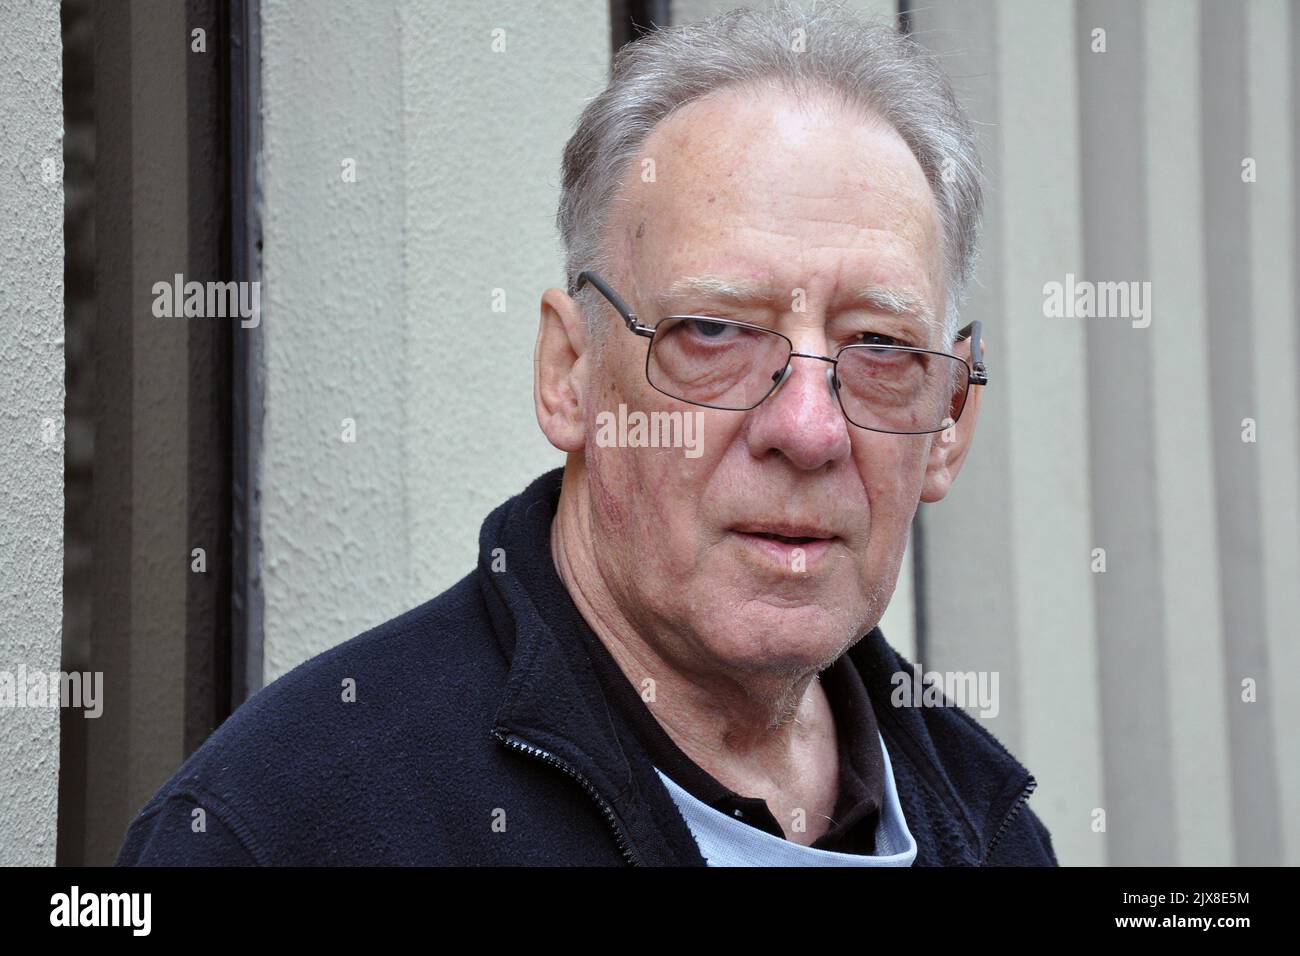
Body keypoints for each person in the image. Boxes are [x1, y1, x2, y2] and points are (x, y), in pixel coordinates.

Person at [117, 1, 1057, 867]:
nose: (808, 430)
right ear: (568, 373)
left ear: (950, 423)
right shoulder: (279, 833)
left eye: (881, 346)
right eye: (714, 332)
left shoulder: (994, 833)